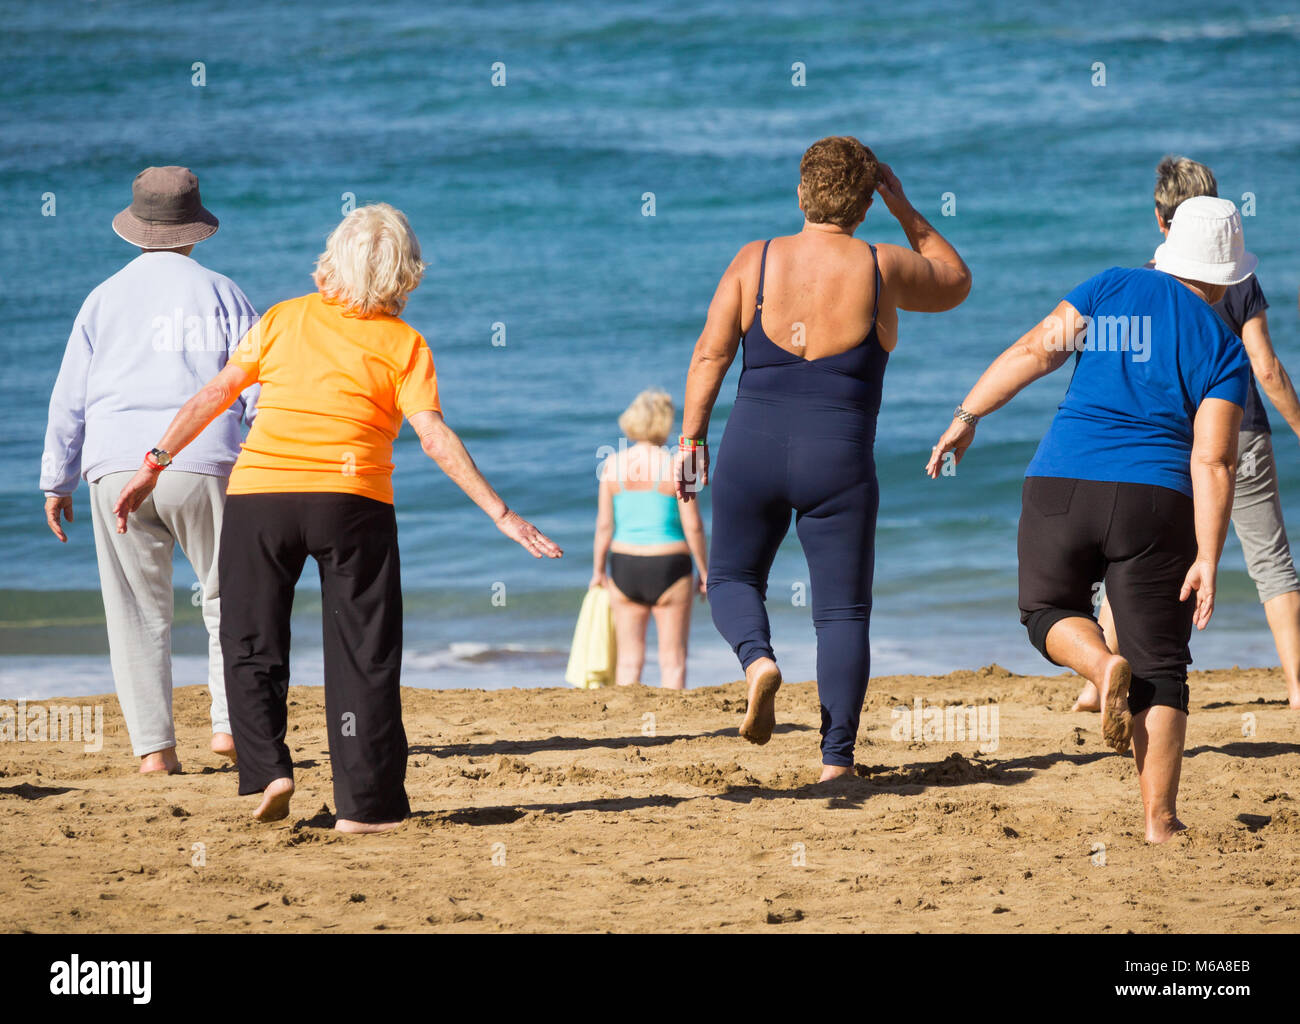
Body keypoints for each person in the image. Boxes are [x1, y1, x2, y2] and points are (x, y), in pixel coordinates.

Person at [112, 203, 562, 833]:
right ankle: (366, 809)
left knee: (250, 640)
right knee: (364, 655)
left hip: (261, 496)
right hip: (353, 505)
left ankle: (270, 769)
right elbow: (432, 437)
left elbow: (215, 395)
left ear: (334, 261)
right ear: (402, 273)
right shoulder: (405, 345)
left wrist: (153, 463)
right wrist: (501, 512)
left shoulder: (282, 318)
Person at [927, 196, 1256, 843]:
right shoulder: (1225, 346)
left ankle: (1101, 666)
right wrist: (1210, 557)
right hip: (1155, 505)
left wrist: (968, 416)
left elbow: (1034, 351)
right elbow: (1212, 460)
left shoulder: (1110, 287)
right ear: (1224, 278)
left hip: (1060, 484)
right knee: (1161, 667)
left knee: (1046, 610)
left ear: (1167, 253)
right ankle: (1160, 821)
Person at [676, 136, 971, 779]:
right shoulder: (880, 265)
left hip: (751, 448)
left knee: (729, 579)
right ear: (866, 203)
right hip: (837, 459)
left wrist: (691, 441)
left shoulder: (753, 261)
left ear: (800, 192)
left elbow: (710, 355)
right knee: (840, 612)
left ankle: (758, 662)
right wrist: (906, 210)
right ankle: (836, 760)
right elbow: (955, 280)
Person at [40, 165, 256, 774]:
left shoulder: (102, 299)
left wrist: (56, 480)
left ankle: (156, 753)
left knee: (135, 611)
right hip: (204, 460)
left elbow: (70, 399)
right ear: (195, 230)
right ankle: (229, 726)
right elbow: (255, 386)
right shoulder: (223, 292)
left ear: (135, 230)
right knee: (229, 597)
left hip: (114, 466)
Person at [1076, 156, 1300, 713]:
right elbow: (1265, 368)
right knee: (1270, 560)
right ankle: (1298, 686)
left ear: (1160, 218)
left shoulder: (1143, 281)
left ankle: (1095, 677)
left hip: (1170, 439)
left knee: (1130, 559)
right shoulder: (1240, 278)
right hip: (1237, 433)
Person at [591, 390, 708, 688]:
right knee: (673, 661)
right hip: (670, 563)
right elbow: (693, 525)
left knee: (629, 661)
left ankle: (628, 731)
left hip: (624, 564)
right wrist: (705, 572)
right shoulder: (678, 464)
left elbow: (604, 525)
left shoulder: (611, 465)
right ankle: (674, 728)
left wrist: (597, 572)